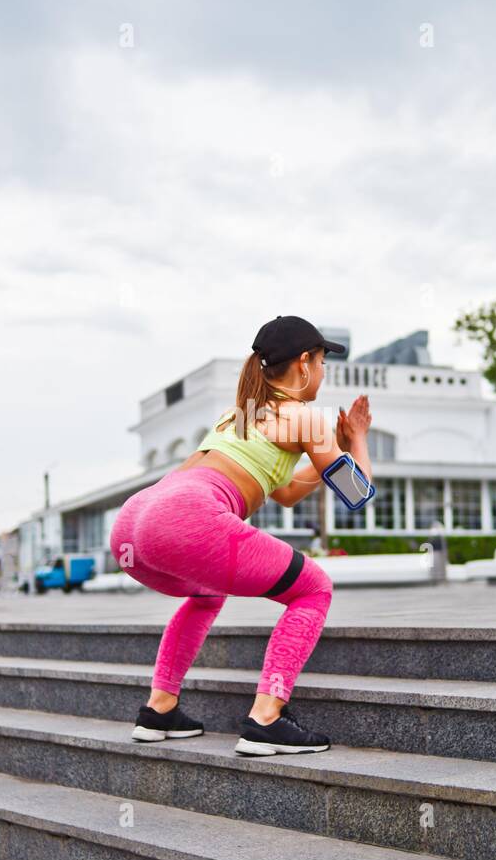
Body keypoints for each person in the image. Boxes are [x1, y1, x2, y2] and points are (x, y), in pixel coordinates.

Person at [108, 315, 373, 755]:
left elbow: (285, 491)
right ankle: (266, 718)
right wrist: (358, 439)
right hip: (188, 515)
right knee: (313, 588)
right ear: (304, 364)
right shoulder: (304, 417)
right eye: (323, 362)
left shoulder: (237, 415)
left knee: (207, 594)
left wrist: (335, 451)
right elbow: (357, 493)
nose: (324, 374)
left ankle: (159, 709)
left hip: (135, 522)